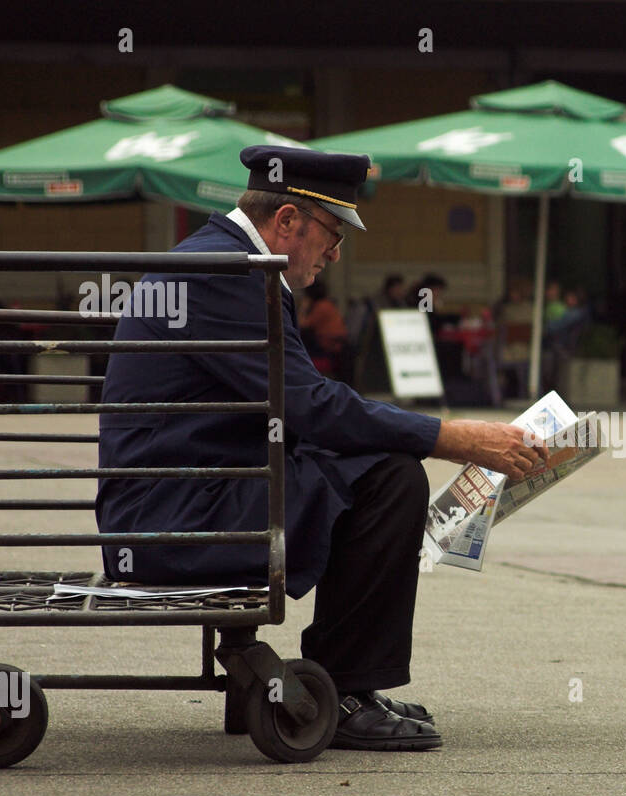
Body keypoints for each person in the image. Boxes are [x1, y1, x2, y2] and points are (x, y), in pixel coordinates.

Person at [95, 146, 549, 752]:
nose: (336, 254)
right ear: (287, 221)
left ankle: (347, 684)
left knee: (376, 465)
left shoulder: (229, 264)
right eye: (332, 234)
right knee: (390, 477)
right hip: (174, 519)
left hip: (188, 499)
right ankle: (347, 691)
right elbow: (311, 407)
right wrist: (454, 437)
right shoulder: (226, 274)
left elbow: (305, 409)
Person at [299, 280, 348, 374]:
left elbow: (302, 325)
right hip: (333, 345)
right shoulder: (327, 304)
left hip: (330, 346)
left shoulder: (321, 307)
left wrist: (303, 308)